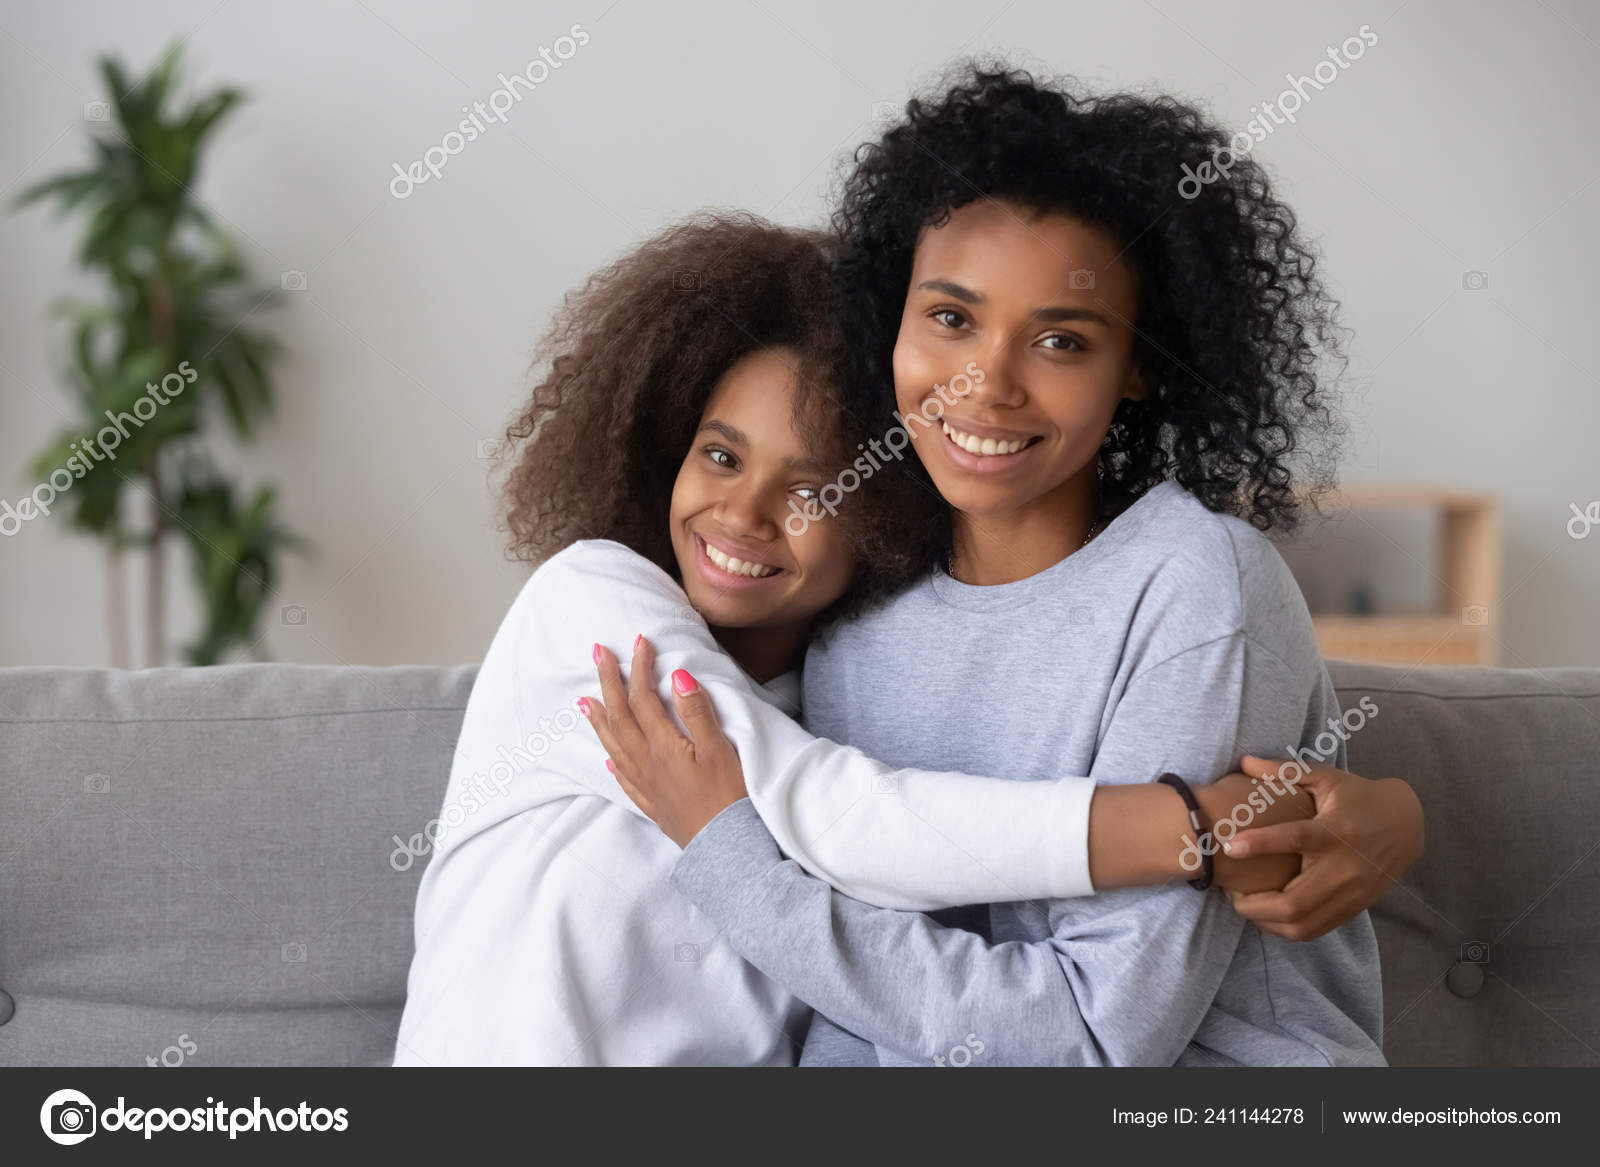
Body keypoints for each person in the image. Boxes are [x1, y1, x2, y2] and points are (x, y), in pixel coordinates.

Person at [581, 66, 1407, 1066]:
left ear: (1140, 364)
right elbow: (856, 995)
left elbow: (1097, 1037)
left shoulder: (1195, 586)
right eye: (951, 318)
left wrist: (728, 857)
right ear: (890, 319)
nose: (985, 385)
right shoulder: (855, 601)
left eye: (1060, 339)